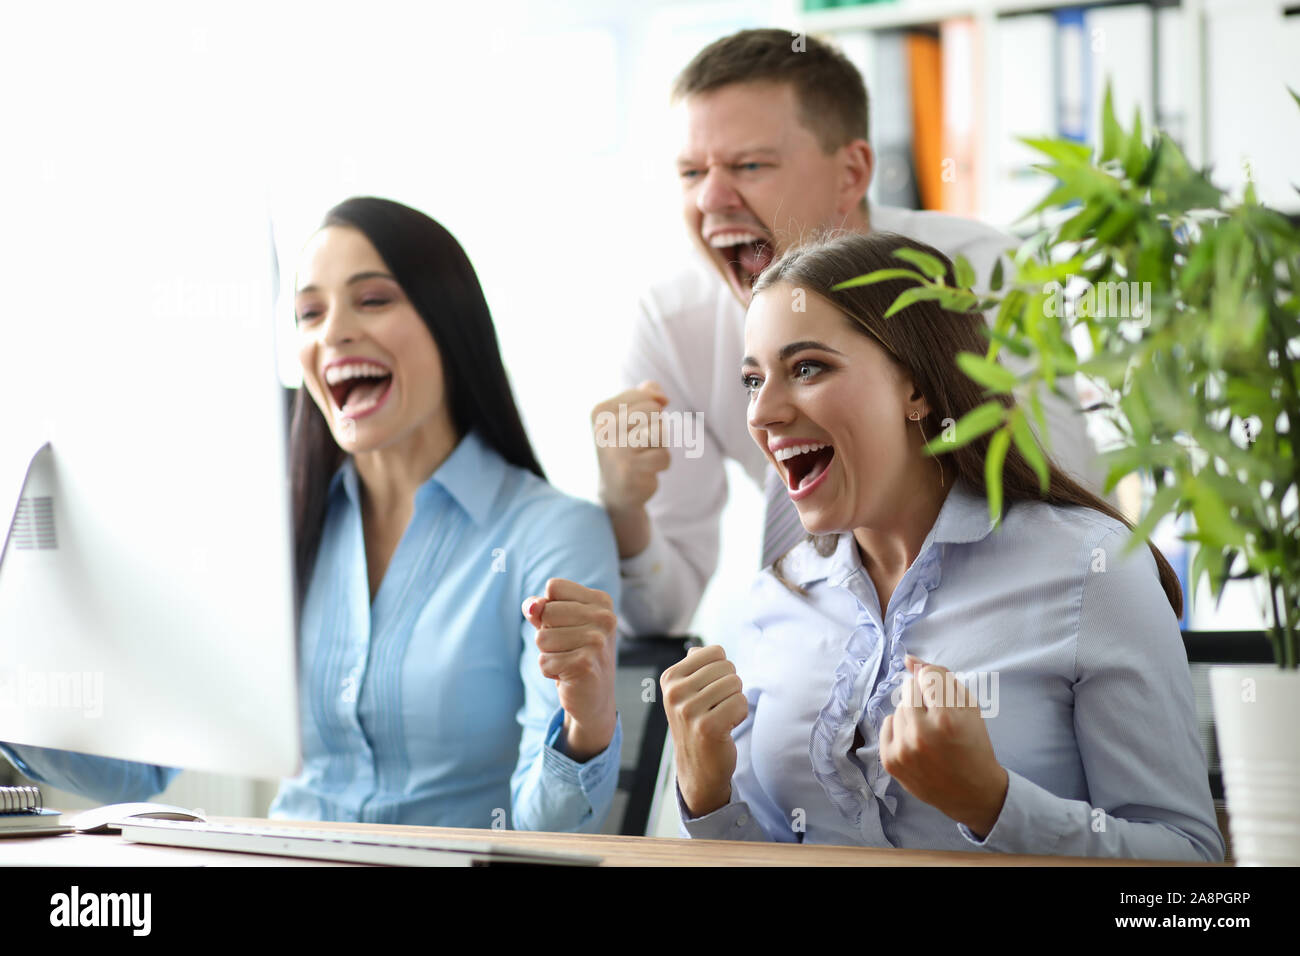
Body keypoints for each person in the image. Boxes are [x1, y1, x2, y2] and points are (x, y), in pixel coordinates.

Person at [0, 197, 624, 833]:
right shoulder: (270, 532)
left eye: (373, 299)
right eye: (308, 312)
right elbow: (140, 773)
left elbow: (547, 831)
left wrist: (586, 722)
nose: (333, 332)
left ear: (449, 321)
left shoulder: (551, 534)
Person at [659, 231, 1224, 861]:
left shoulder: (1091, 570)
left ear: (918, 388)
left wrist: (992, 803)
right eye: (751, 380)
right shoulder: (764, 603)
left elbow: (1188, 873)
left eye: (807, 368)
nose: (762, 412)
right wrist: (706, 796)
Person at [596, 28, 1109, 637]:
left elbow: (1067, 515)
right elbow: (661, 613)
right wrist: (622, 507)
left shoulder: (979, 277)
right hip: (802, 669)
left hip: (986, 635)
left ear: (852, 172)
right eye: (689, 172)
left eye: (750, 165)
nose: (710, 198)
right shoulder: (673, 324)